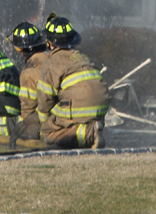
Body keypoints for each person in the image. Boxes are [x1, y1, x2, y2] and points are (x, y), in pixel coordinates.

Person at [36, 14, 109, 149]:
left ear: (50, 43)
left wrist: (45, 124)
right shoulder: (82, 55)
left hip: (81, 107)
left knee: (47, 135)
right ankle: (91, 130)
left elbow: (45, 100)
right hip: (101, 107)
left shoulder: (51, 62)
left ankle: (89, 133)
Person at [7, 21, 47, 140]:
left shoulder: (28, 72)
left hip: (46, 120)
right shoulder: (50, 57)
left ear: (22, 50)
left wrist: (22, 128)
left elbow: (27, 109)